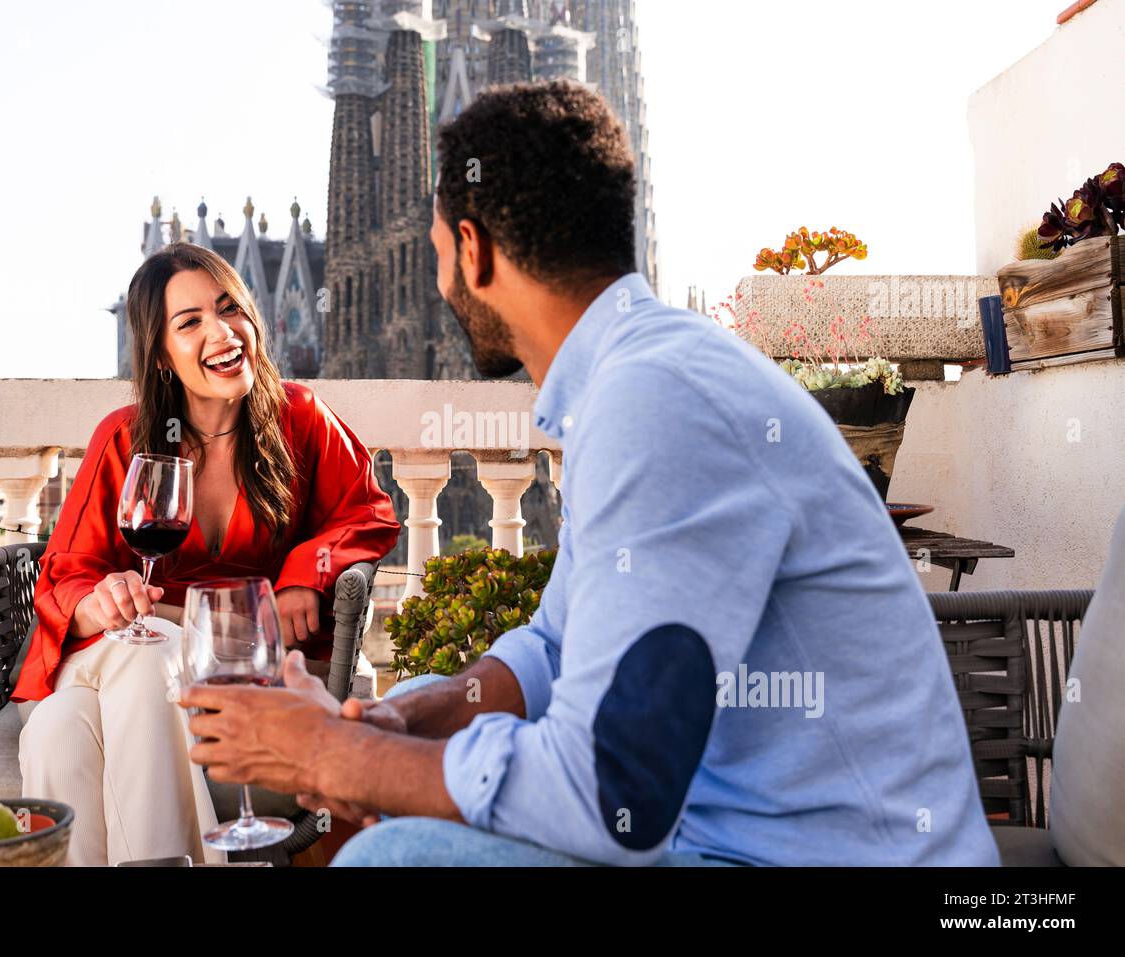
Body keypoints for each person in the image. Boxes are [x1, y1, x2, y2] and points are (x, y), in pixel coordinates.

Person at [179, 81, 1000, 867]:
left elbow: (616, 795)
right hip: (721, 832)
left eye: (437, 254)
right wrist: (401, 717)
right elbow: (555, 645)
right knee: (437, 695)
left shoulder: (656, 403)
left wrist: (337, 754)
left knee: (397, 854)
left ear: (475, 250)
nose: (438, 284)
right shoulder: (641, 375)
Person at [12, 243, 399, 866]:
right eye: (189, 322)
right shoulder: (124, 437)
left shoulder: (298, 419)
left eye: (230, 309)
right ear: (161, 356)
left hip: (240, 672)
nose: (222, 333)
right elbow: (64, 576)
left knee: (58, 733)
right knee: (149, 653)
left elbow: (369, 512)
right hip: (121, 651)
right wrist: (97, 599)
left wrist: (308, 570)